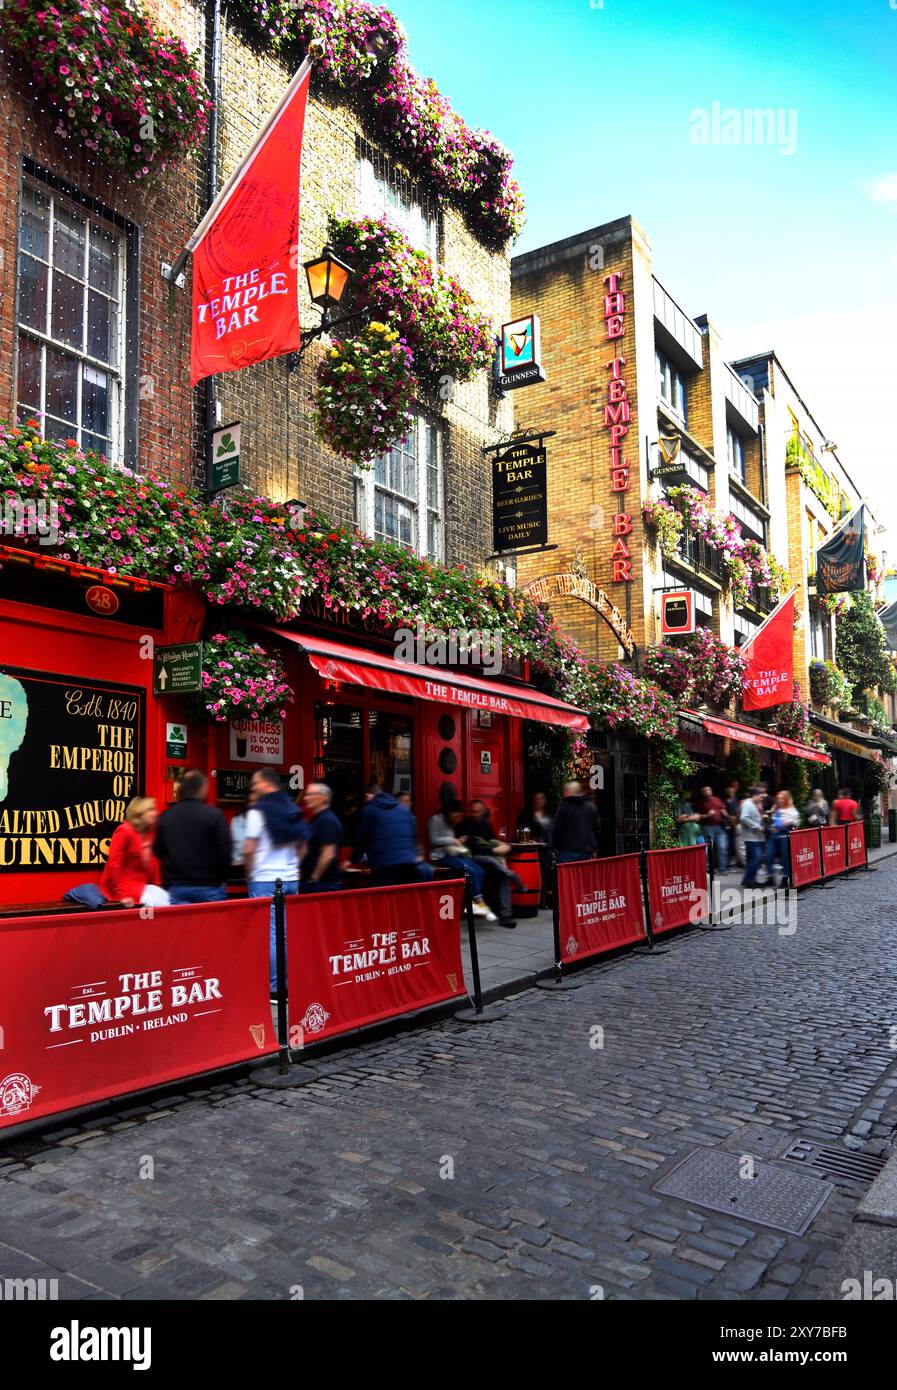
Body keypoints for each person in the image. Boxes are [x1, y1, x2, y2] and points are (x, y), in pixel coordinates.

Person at [244, 768, 308, 996]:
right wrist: (291, 867)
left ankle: (274, 988)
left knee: (270, 935)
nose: (253, 788)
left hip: (264, 880)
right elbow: (303, 845)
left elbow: (249, 850)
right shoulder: (292, 808)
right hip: (291, 880)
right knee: (287, 935)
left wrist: (249, 873)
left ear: (265, 784)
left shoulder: (257, 812)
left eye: (255, 784)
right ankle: (289, 982)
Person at [153, 770, 232, 905]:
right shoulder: (214, 815)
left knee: (182, 925)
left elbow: (157, 851)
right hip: (210, 885)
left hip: (177, 886)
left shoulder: (166, 817)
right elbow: (225, 851)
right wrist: (222, 878)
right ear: (202, 789)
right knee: (212, 925)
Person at [427, 800, 495, 919]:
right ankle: (478, 902)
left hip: (454, 852)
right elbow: (434, 840)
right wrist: (453, 840)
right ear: (449, 813)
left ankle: (472, 902)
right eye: (456, 816)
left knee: (480, 871)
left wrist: (459, 841)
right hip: (441, 855)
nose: (458, 819)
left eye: (460, 816)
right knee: (470, 871)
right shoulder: (435, 820)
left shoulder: (454, 822)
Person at [460, 799, 522, 927]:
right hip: (473, 858)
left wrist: (501, 847)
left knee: (503, 874)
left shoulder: (485, 824)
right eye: (472, 811)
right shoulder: (465, 824)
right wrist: (494, 850)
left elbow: (491, 840)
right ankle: (512, 875)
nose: (475, 814)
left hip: (488, 857)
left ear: (483, 811)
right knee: (492, 862)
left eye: (478, 812)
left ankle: (506, 915)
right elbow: (474, 847)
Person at [101, 797, 168, 907]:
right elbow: (113, 864)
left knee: (166, 899)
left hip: (140, 886)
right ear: (139, 814)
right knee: (153, 902)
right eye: (150, 809)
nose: (155, 813)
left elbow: (154, 863)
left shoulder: (150, 834)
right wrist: (122, 895)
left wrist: (157, 886)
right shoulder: (124, 831)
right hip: (122, 887)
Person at [351, 782, 422, 886]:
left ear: (367, 796)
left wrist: (353, 859)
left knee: (383, 899)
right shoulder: (403, 810)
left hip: (384, 865)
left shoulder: (368, 810)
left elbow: (361, 840)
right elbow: (414, 836)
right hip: (408, 863)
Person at [298, 783, 343, 893]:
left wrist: (314, 878)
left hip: (323, 885)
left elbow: (328, 854)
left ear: (323, 798)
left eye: (310, 795)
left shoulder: (327, 820)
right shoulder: (317, 819)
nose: (306, 798)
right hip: (317, 883)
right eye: (306, 795)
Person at [553, 781, 600, 862]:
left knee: (568, 874)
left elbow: (557, 830)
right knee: (584, 874)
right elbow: (597, 829)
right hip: (586, 852)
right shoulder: (591, 807)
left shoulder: (564, 807)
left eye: (565, 791)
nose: (563, 794)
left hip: (567, 851)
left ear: (569, 792)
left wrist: (554, 847)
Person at [766, 789, 800, 889]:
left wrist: (789, 821)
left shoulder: (791, 810)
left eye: (781, 798)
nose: (779, 800)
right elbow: (773, 822)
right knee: (768, 855)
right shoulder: (776, 808)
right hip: (774, 836)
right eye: (778, 798)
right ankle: (771, 876)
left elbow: (796, 822)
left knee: (785, 858)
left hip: (785, 836)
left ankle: (785, 879)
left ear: (786, 799)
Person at [695, 784, 729, 872]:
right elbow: (697, 816)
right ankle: (708, 868)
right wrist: (707, 815)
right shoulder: (701, 802)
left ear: (711, 790)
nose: (707, 791)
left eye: (708, 790)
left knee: (722, 847)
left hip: (719, 827)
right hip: (707, 827)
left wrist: (727, 817)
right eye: (705, 790)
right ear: (702, 793)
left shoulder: (717, 800)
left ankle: (722, 868)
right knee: (709, 848)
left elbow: (723, 810)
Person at [739, 788, 767, 888]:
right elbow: (744, 818)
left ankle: (749, 880)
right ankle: (749, 880)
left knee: (754, 860)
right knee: (756, 859)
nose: (762, 798)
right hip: (751, 838)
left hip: (756, 837)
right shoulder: (747, 804)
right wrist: (757, 826)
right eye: (760, 796)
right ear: (755, 795)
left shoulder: (753, 804)